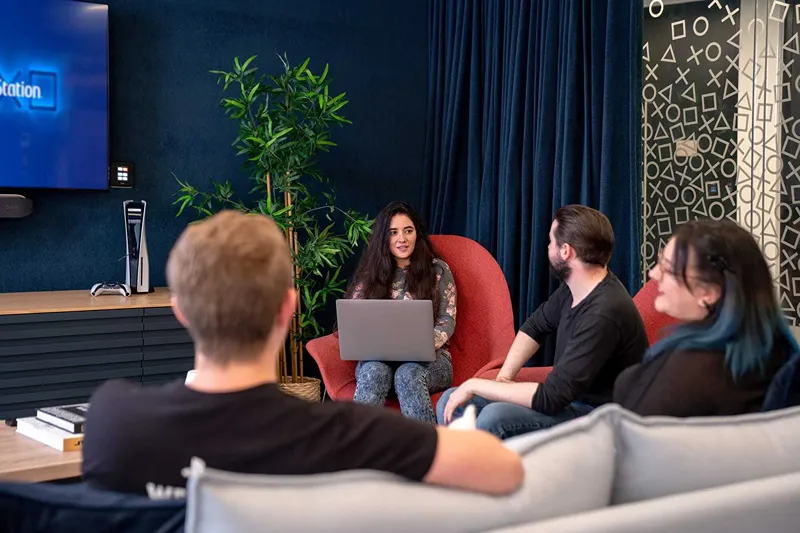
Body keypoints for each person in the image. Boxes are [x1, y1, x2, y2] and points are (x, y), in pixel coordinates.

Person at [81, 211, 522, 497]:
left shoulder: (111, 420)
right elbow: (506, 472)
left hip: (422, 362)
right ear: (288, 309)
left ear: (180, 311)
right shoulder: (350, 435)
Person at [438, 205, 648, 438]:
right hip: (568, 401)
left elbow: (552, 398)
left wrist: (475, 384)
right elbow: (535, 327)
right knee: (451, 400)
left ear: (566, 251)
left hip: (599, 416)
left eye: (551, 241)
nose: (548, 247)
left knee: (494, 418)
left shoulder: (604, 312)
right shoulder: (575, 288)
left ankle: (487, 469)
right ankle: (464, 467)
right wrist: (504, 378)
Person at [613, 219, 800, 415]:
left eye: (666, 268)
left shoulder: (679, 379)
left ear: (709, 292)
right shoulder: (780, 356)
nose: (653, 274)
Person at [344, 201, 456, 424]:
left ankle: (427, 453)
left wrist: (420, 345)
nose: (401, 239)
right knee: (374, 372)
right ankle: (355, 451)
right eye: (393, 233)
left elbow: (447, 320)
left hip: (431, 361)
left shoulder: (438, 270)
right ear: (383, 239)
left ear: (418, 234)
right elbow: (354, 319)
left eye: (408, 231)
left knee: (407, 374)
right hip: (378, 361)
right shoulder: (370, 275)